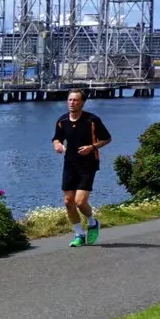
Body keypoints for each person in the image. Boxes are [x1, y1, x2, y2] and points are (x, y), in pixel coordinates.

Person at [52, 88, 112, 246]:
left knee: (80, 202)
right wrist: (57, 145)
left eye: (76, 100)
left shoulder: (92, 120)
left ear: (82, 103)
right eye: (70, 100)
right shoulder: (62, 120)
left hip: (88, 164)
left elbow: (106, 139)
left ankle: (92, 223)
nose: (72, 103)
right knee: (67, 201)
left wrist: (92, 147)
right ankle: (79, 234)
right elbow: (57, 138)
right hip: (69, 164)